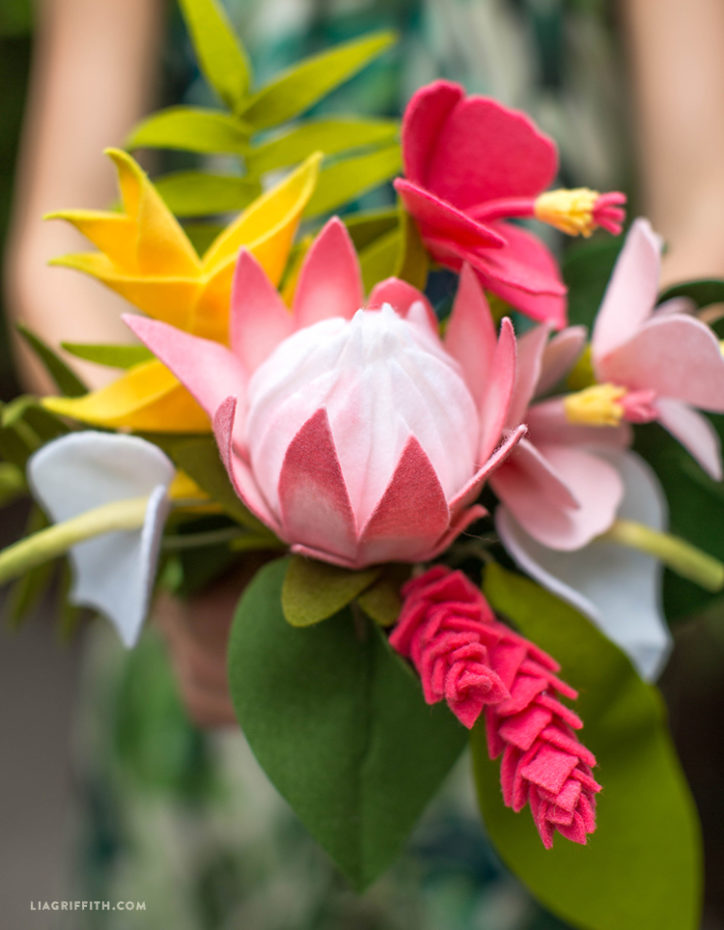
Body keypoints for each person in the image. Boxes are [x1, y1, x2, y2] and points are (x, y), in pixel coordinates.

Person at [6, 1, 724, 926]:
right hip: (221, 609)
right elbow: (56, 243)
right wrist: (190, 530)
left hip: (538, 563)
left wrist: (578, 397)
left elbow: (709, 185)